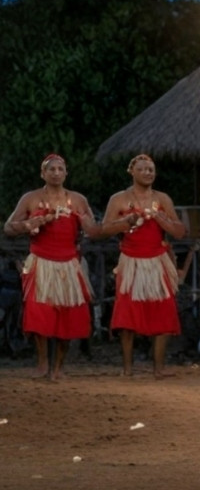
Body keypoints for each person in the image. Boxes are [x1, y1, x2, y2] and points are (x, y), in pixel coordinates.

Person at [3, 154, 101, 380]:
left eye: (60, 169)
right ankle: (42, 363)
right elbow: (9, 227)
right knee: (40, 312)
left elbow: (94, 231)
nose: (56, 172)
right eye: (51, 169)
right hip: (41, 262)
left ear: (66, 173)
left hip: (69, 264)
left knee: (68, 315)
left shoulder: (77, 200)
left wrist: (93, 225)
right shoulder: (31, 198)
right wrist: (29, 224)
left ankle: (58, 366)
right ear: (42, 173)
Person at [95, 154, 187, 378]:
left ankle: (158, 369)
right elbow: (103, 229)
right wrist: (125, 222)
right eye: (143, 169)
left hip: (157, 262)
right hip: (131, 262)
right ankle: (127, 369)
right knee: (127, 315)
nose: (148, 172)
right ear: (132, 172)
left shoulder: (162, 199)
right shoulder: (119, 199)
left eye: (151, 169)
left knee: (163, 312)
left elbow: (180, 231)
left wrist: (159, 218)